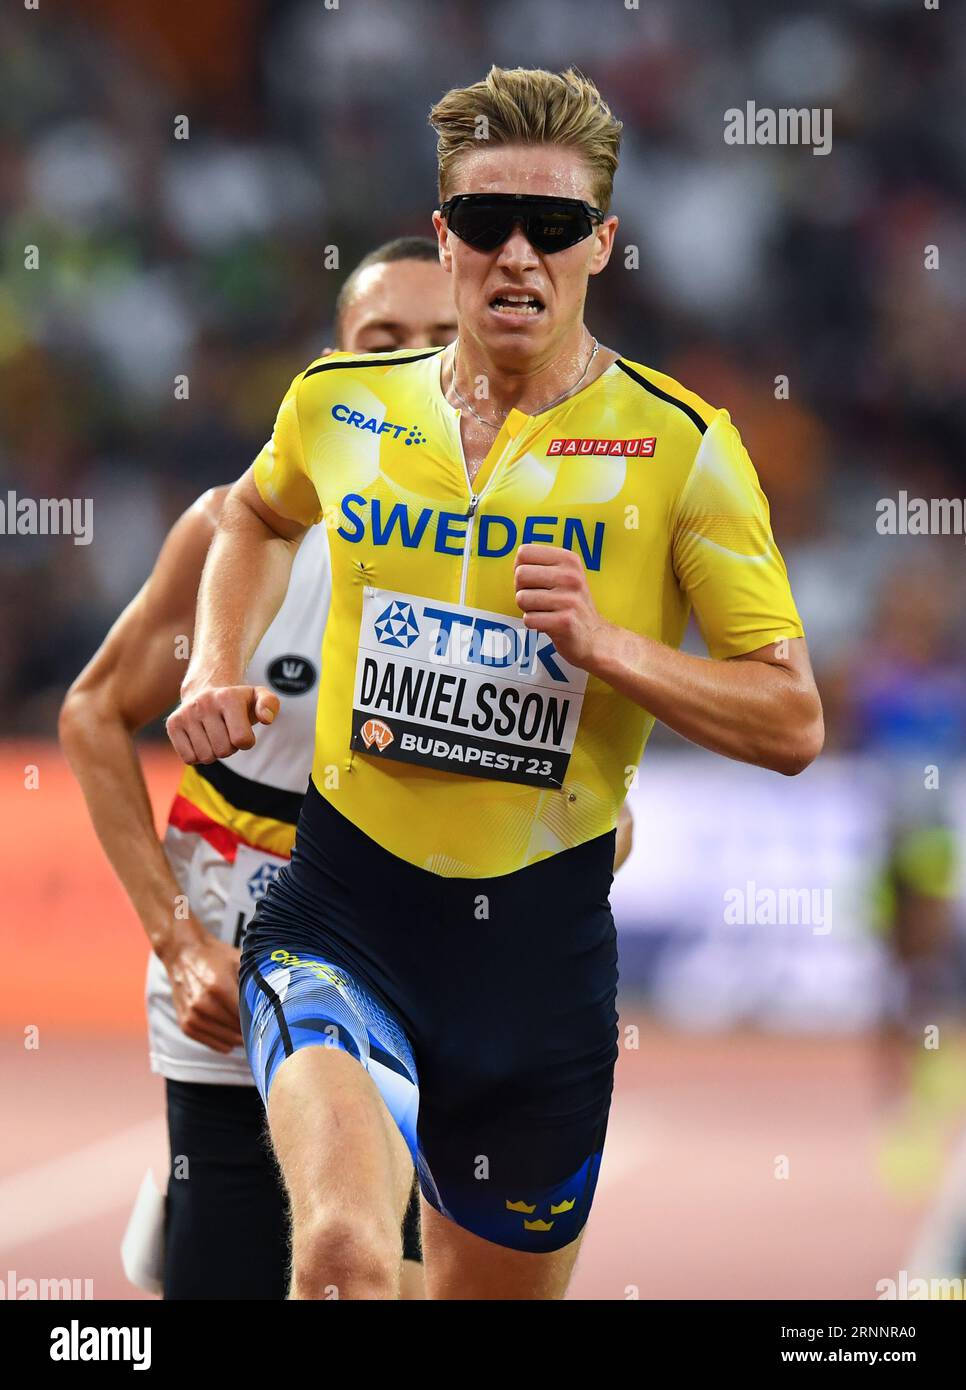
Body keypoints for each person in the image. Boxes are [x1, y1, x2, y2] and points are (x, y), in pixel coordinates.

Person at [166, 66, 823, 1301]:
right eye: (485, 223)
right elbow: (251, 519)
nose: (518, 253)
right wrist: (216, 664)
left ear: (600, 246)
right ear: (444, 235)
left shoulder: (684, 448)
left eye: (555, 227)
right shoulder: (340, 405)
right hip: (343, 917)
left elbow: (792, 718)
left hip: (540, 961)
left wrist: (612, 647)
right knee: (347, 1259)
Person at [58, 237, 460, 1300]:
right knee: (239, 1267)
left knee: (367, 1267)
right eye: (382, 343)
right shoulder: (236, 530)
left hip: (406, 961)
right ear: (331, 369)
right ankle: (198, 1229)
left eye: (442, 341)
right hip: (231, 960)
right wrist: (178, 941)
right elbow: (96, 712)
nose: (412, 367)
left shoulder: (535, 541)